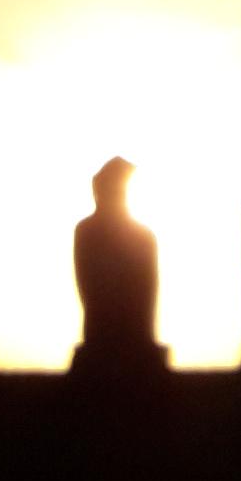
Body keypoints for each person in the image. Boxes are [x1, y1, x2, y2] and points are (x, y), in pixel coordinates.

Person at [72, 155, 163, 372]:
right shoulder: (87, 232)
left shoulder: (142, 237)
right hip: (103, 332)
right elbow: (89, 288)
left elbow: (147, 292)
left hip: (132, 335)